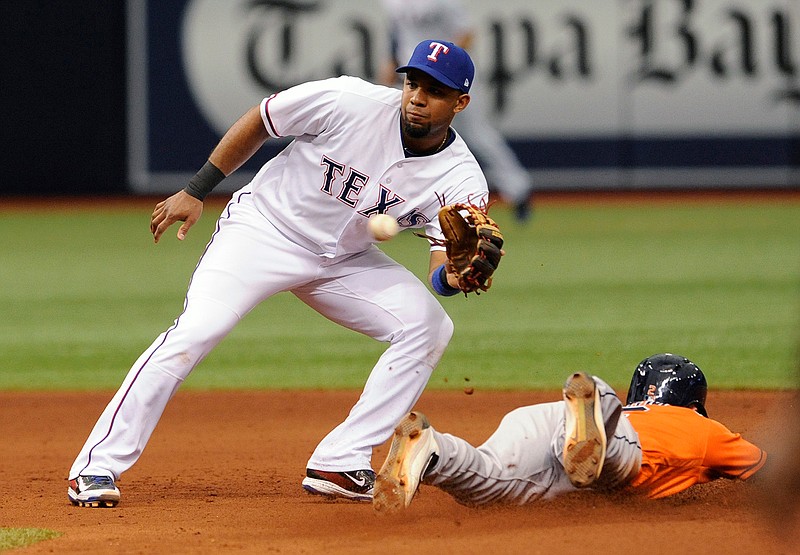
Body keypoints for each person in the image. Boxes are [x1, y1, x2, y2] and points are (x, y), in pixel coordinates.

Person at [68, 39, 496, 508]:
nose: (417, 96)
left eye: (435, 90)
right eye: (413, 82)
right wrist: (197, 190)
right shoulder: (348, 101)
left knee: (430, 325)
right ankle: (97, 465)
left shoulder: (461, 180)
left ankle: (341, 458)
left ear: (461, 102)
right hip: (264, 231)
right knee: (196, 330)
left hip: (343, 261)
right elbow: (261, 120)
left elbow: (442, 270)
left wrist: (452, 279)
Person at [373, 354, 767, 511]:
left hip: (542, 423)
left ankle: (433, 449)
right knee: (616, 455)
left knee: (487, 482)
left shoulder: (633, 409)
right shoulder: (705, 429)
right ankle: (590, 414)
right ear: (693, 399)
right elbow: (769, 471)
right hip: (609, 442)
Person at [380, 0, 534, 222]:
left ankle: (519, 190)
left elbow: (466, 33)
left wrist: (447, 75)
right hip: (412, 75)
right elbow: (396, 33)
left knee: (478, 135)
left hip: (449, 77)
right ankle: (398, 204)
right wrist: (390, 63)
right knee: (399, 132)